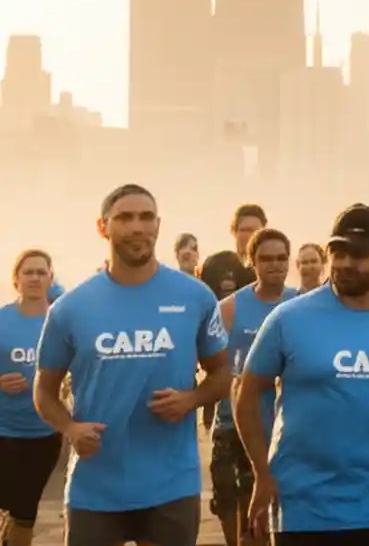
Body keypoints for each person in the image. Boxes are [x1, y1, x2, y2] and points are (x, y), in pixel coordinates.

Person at [236, 204, 369, 545]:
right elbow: (248, 394)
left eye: (358, 255)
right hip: (305, 509)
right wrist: (261, 472)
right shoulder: (288, 319)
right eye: (338, 252)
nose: (345, 263)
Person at [34, 183, 230, 546]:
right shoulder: (71, 308)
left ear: (158, 225)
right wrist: (70, 428)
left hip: (172, 484)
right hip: (96, 485)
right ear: (102, 227)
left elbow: (223, 374)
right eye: (125, 218)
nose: (138, 227)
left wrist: (190, 399)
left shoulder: (194, 297)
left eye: (146, 217)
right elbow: (44, 392)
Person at [209, 228, 298, 546]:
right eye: (266, 259)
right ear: (252, 262)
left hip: (285, 428)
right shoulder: (228, 309)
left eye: (281, 258)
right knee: (241, 524)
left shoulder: (300, 305)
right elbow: (210, 365)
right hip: (234, 426)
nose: (275, 265)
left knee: (281, 518)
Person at [0, 250, 62, 546]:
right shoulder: (2, 320)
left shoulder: (62, 322)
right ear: (16, 279)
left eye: (41, 272)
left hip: (43, 433)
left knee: (25, 511)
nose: (35, 278)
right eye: (29, 272)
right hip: (3, 431)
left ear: (51, 278)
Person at [201, 204, 267, 294]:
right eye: (245, 230)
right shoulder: (215, 264)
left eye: (256, 231)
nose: (251, 235)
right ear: (234, 231)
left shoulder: (271, 267)